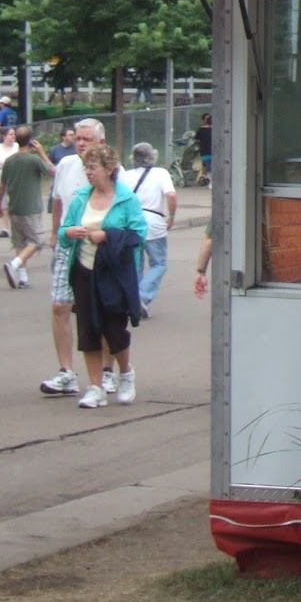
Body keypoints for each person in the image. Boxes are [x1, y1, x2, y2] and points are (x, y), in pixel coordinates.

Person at [59, 142, 145, 408]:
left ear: (109, 169)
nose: (88, 172)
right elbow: (63, 233)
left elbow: (138, 235)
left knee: (114, 329)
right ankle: (95, 387)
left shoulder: (126, 199)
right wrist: (69, 232)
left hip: (113, 274)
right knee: (88, 330)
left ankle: (126, 373)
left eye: (93, 167)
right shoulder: (81, 198)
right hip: (84, 271)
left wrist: (107, 235)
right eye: (86, 167)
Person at [40, 119, 101, 397]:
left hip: (96, 246)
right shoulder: (65, 165)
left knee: (100, 311)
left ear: (100, 141)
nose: (81, 143)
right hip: (67, 243)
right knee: (60, 306)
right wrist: (55, 234)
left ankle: (107, 371)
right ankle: (66, 372)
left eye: (87, 139)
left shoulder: (113, 169)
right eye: (78, 138)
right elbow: (57, 201)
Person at [121, 142, 177, 315]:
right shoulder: (161, 173)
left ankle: (134, 301)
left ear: (133, 158)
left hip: (132, 223)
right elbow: (171, 195)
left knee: (135, 264)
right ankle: (142, 296)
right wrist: (171, 217)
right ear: (152, 156)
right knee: (158, 263)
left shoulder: (126, 176)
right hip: (154, 222)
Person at [0, 126, 55, 289]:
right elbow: (52, 171)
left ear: (16, 139)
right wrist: (41, 152)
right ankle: (14, 265)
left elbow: (2, 186)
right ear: (31, 141)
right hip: (31, 207)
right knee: (38, 240)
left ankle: (22, 278)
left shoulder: (9, 161)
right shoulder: (33, 159)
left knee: (20, 243)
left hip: (14, 207)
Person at [194, 113, 213, 187]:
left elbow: (196, 137)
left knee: (208, 166)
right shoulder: (214, 129)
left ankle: (209, 181)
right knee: (210, 167)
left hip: (205, 152)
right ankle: (208, 181)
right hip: (213, 151)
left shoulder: (201, 129)